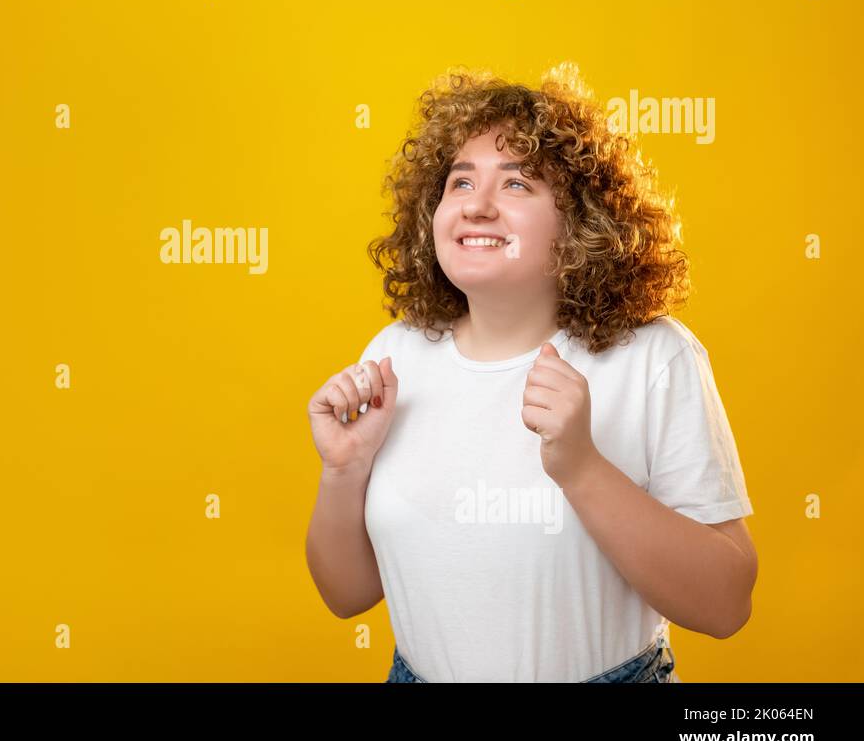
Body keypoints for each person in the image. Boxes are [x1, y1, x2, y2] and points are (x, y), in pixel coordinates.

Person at [304, 64, 757, 683]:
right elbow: (346, 595)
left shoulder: (654, 357)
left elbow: (726, 603)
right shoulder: (397, 354)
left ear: (580, 222)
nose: (478, 207)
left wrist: (582, 468)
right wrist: (344, 469)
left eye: (517, 186)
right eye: (460, 183)